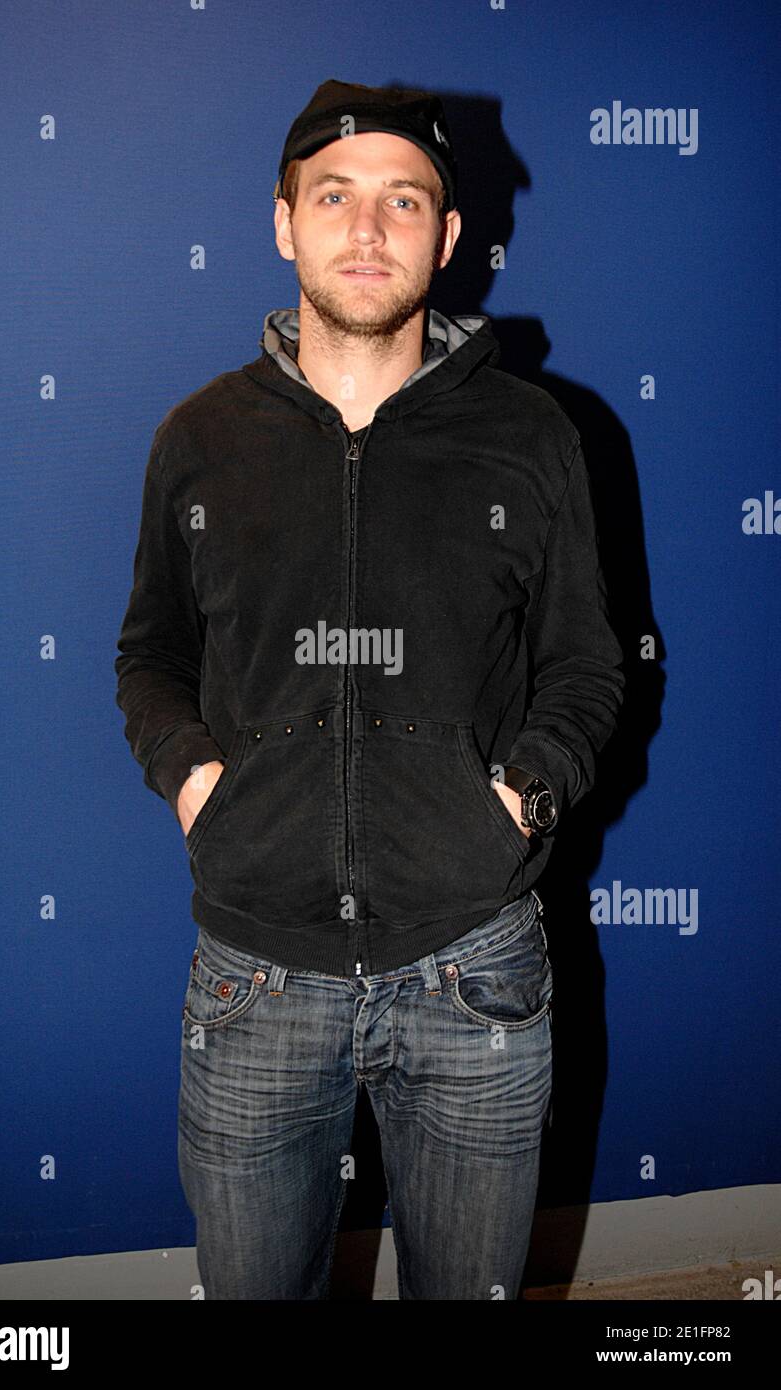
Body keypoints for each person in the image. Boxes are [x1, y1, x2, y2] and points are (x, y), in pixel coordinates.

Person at [114, 78, 625, 1300]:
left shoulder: (531, 436)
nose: (366, 229)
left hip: (474, 973)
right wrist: (193, 777)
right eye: (334, 197)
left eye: (405, 201)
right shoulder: (199, 438)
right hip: (251, 980)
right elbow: (149, 651)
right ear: (283, 222)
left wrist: (523, 795)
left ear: (447, 239)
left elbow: (583, 665)